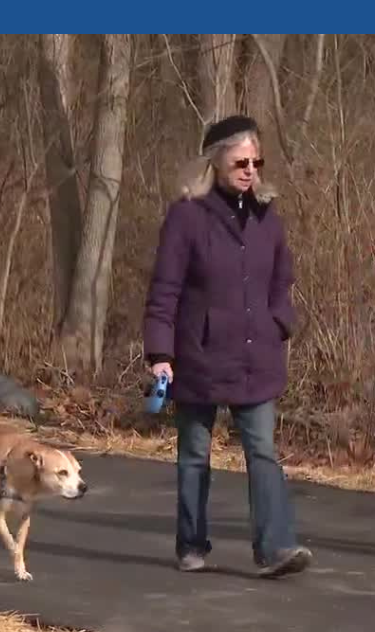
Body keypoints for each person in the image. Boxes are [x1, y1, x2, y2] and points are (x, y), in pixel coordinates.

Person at [142, 115, 313, 578]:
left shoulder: (266, 215)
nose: (250, 170)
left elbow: (282, 278)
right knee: (195, 454)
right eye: (240, 161)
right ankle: (191, 543)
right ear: (215, 161)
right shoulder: (187, 217)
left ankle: (276, 548)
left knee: (263, 451)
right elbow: (165, 291)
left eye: (257, 161)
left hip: (257, 356)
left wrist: (280, 320)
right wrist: (161, 354)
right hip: (197, 356)